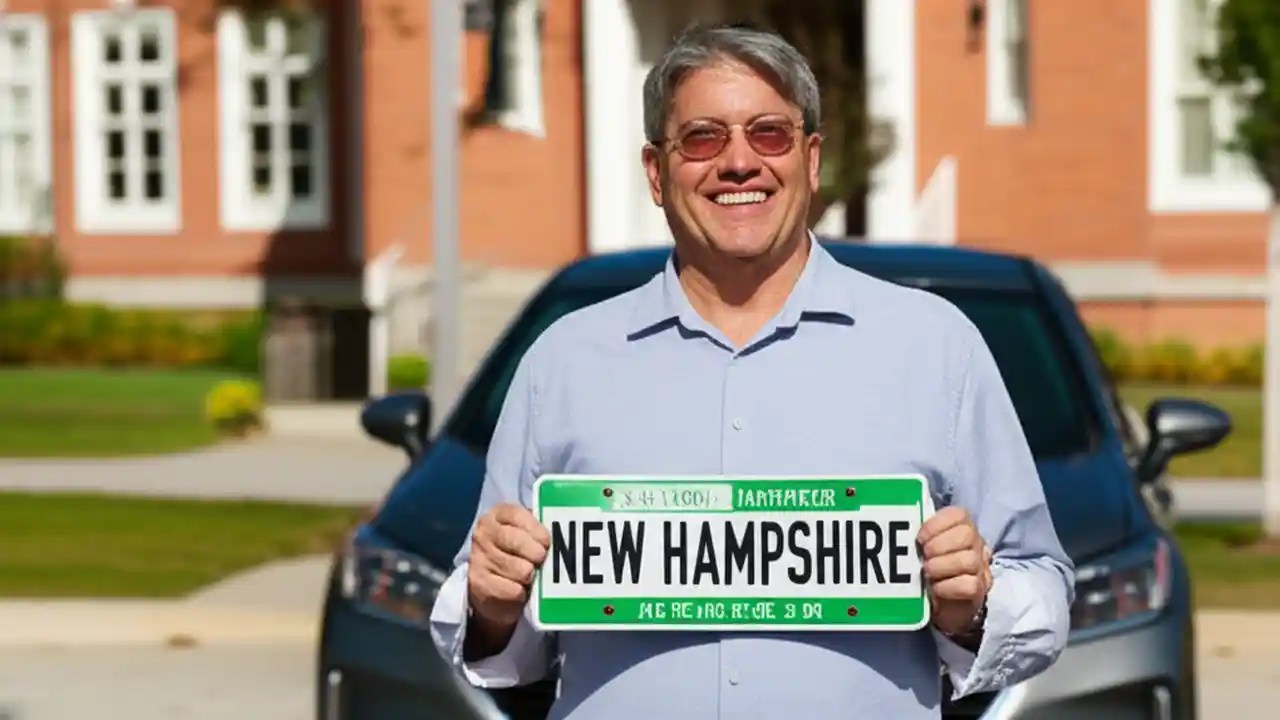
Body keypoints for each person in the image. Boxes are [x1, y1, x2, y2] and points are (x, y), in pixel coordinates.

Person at [430, 22, 1074, 719]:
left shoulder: (937, 348)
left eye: (769, 134)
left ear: (811, 157)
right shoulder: (562, 362)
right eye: (703, 137)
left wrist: (973, 607)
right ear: (656, 172)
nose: (739, 163)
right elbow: (509, 644)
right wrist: (492, 605)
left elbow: (1041, 582)